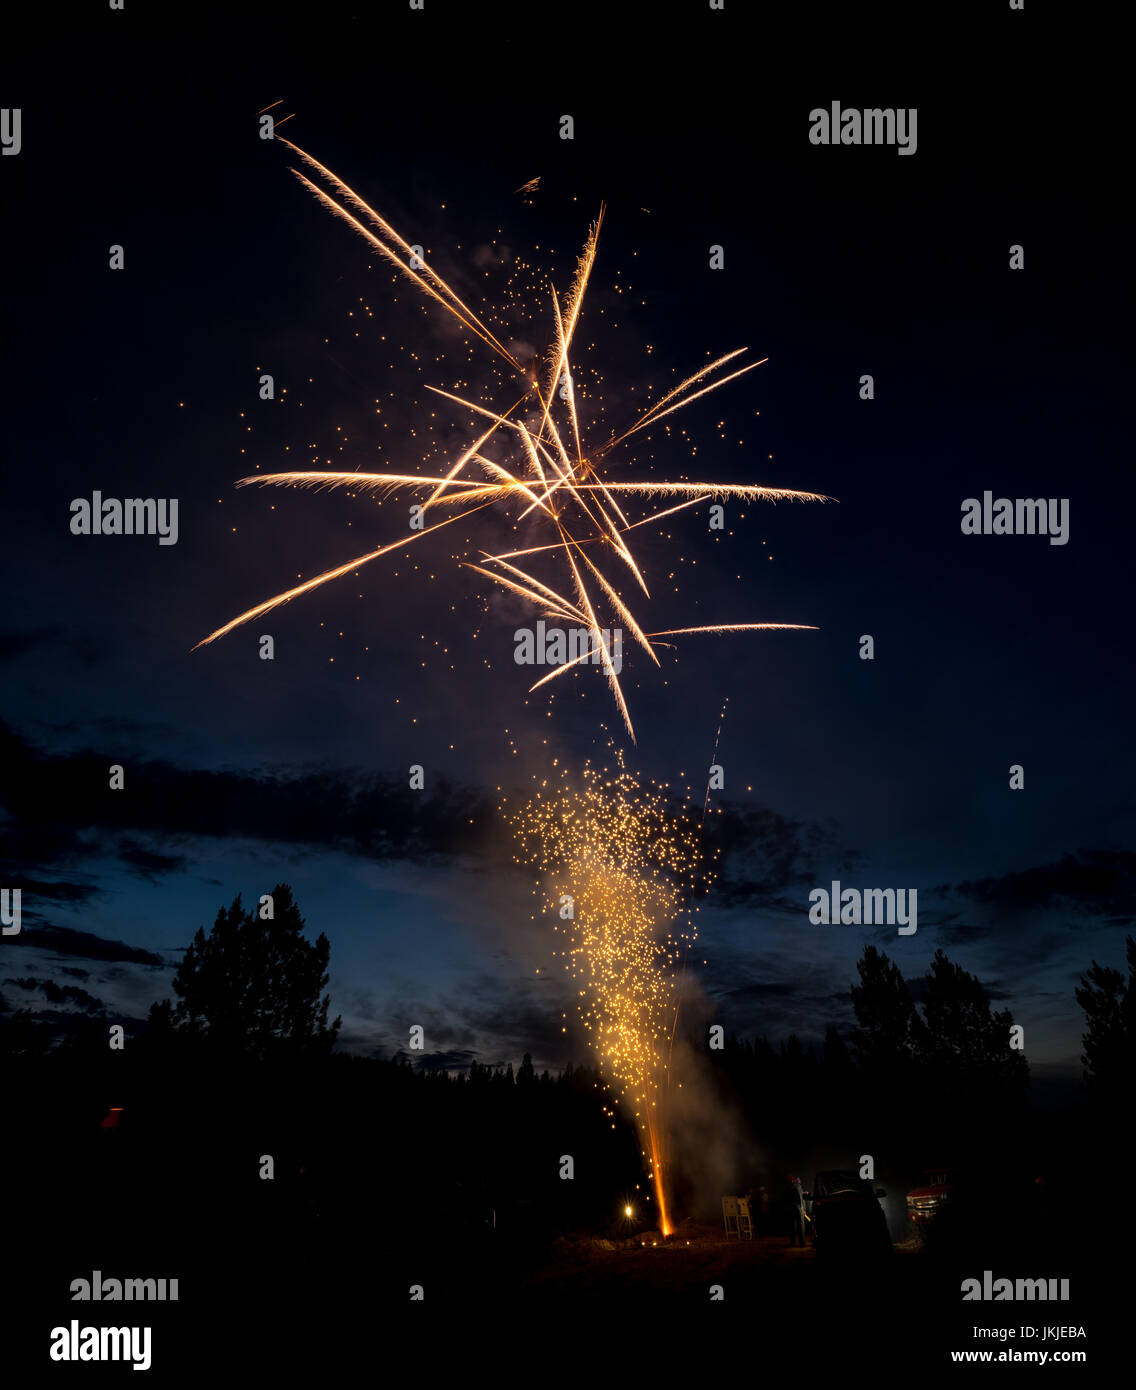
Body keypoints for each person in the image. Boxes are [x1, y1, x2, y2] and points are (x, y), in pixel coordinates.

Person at [788, 1174, 806, 1247]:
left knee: (796, 1226)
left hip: (795, 1209)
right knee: (798, 1226)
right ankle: (799, 1243)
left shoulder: (793, 1186)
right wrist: (803, 1209)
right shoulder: (795, 1186)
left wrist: (803, 1209)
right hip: (796, 1209)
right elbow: (799, 1199)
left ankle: (796, 1243)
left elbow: (799, 1198)